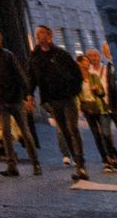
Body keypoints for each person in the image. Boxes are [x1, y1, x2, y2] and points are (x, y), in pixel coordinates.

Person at [27, 25, 89, 181]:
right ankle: (76, 160)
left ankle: (81, 164)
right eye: (37, 34)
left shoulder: (60, 54)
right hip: (52, 99)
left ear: (50, 35)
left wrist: (74, 91)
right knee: (64, 130)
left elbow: (77, 73)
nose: (39, 36)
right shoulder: (35, 56)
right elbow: (32, 77)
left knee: (72, 128)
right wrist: (29, 95)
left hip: (67, 97)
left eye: (42, 33)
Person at [0, 27, 39, 177]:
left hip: (15, 98)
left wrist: (28, 95)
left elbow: (20, 75)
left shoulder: (8, 55)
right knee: (5, 133)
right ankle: (12, 166)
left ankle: (36, 164)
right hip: (0, 99)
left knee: (25, 131)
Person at [80, 49, 117, 171]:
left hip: (101, 108)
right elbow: (78, 96)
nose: (86, 64)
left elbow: (102, 92)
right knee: (97, 135)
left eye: (86, 62)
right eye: (83, 62)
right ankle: (105, 161)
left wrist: (97, 90)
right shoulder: (77, 81)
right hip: (88, 110)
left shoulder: (94, 76)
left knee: (106, 134)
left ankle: (112, 157)